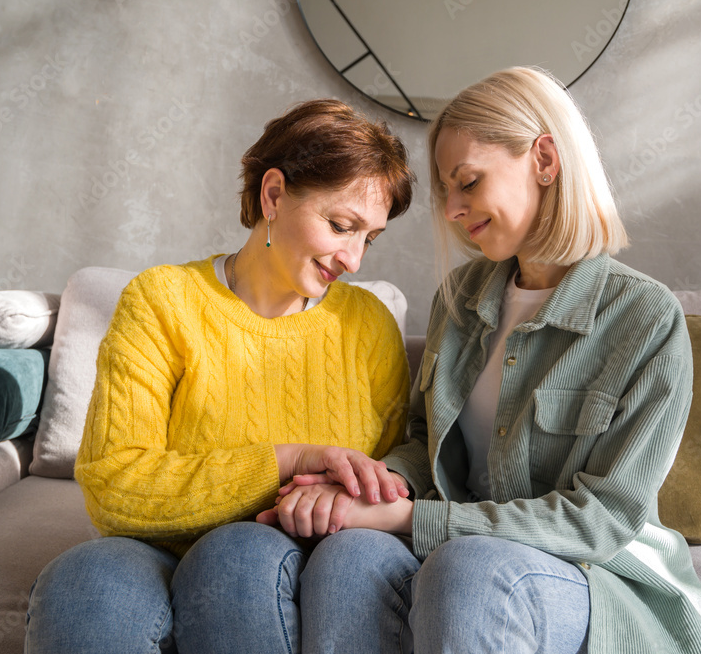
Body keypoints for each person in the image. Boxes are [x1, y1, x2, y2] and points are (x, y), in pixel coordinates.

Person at [266, 68, 701, 653]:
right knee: (347, 555)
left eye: (469, 183)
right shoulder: (459, 299)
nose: (454, 209)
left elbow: (602, 521)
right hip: (462, 552)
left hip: (596, 573)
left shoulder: (645, 317)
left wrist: (412, 520)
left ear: (544, 160)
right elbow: (423, 442)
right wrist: (365, 488)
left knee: (473, 569)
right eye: (447, 192)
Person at [24, 99, 416, 654]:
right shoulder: (162, 300)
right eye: (340, 226)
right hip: (157, 545)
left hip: (306, 554)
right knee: (83, 580)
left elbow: (386, 474)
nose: (352, 259)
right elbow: (113, 484)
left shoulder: (367, 325)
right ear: (273, 194)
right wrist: (289, 460)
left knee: (238, 557)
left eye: (369, 238)